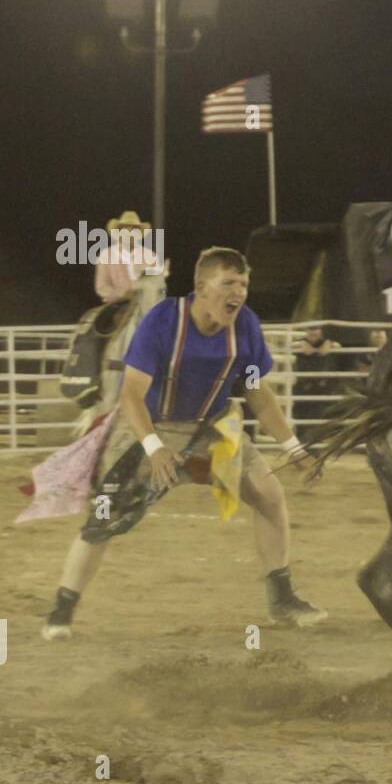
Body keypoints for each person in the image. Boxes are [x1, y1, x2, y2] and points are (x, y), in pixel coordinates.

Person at [42, 247, 326, 639]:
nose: (239, 292)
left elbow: (257, 392)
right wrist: (155, 448)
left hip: (211, 429)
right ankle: (62, 608)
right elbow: (131, 395)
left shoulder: (246, 325)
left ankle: (282, 598)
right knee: (103, 520)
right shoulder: (162, 320)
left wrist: (294, 448)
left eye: (243, 284)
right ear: (201, 288)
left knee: (269, 494)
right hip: (149, 427)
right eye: (229, 283)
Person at [94, 211, 168, 414]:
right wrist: (121, 295)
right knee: (98, 332)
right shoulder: (106, 255)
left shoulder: (150, 257)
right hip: (118, 306)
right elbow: (102, 287)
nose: (129, 234)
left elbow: (159, 284)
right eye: (125, 230)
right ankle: (94, 378)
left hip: (146, 305)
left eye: (133, 230)